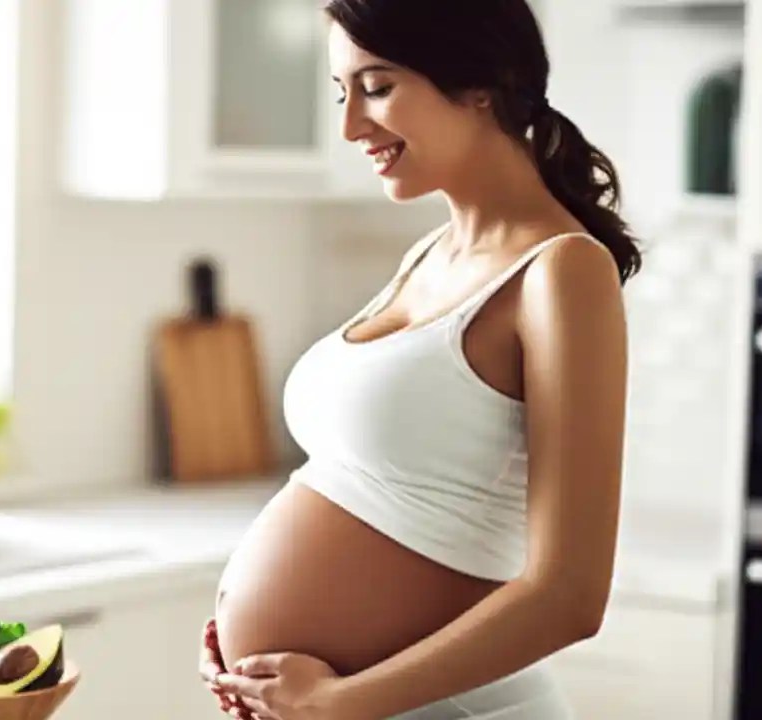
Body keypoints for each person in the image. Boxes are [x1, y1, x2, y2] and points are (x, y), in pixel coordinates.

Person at [197, 1, 638, 718]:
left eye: (377, 87)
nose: (350, 127)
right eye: (343, 92)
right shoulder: (428, 255)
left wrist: (340, 701)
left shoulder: (561, 272)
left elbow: (571, 596)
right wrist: (244, 652)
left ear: (480, 83)